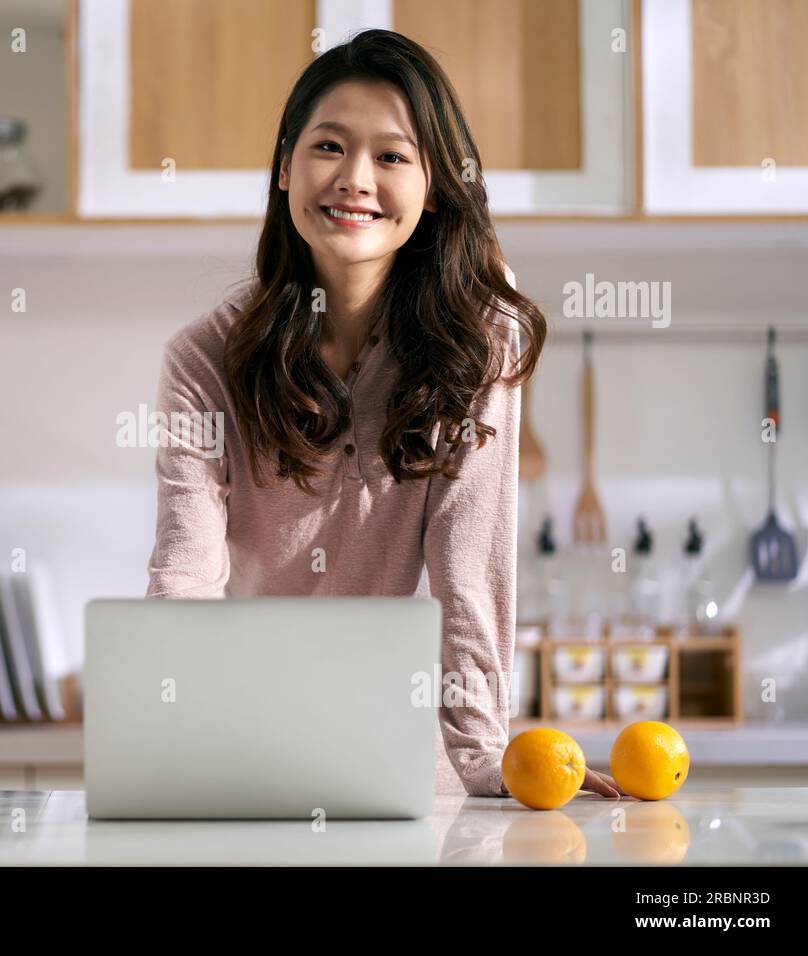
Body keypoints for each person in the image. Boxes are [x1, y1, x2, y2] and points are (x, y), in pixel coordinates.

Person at [144, 29, 625, 799]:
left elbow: (470, 566)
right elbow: (184, 576)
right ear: (284, 168)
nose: (354, 179)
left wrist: (481, 757)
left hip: (412, 775)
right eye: (328, 146)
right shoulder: (205, 358)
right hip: (244, 751)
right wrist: (176, 737)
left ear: (433, 186)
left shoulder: (476, 345)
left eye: (393, 156)